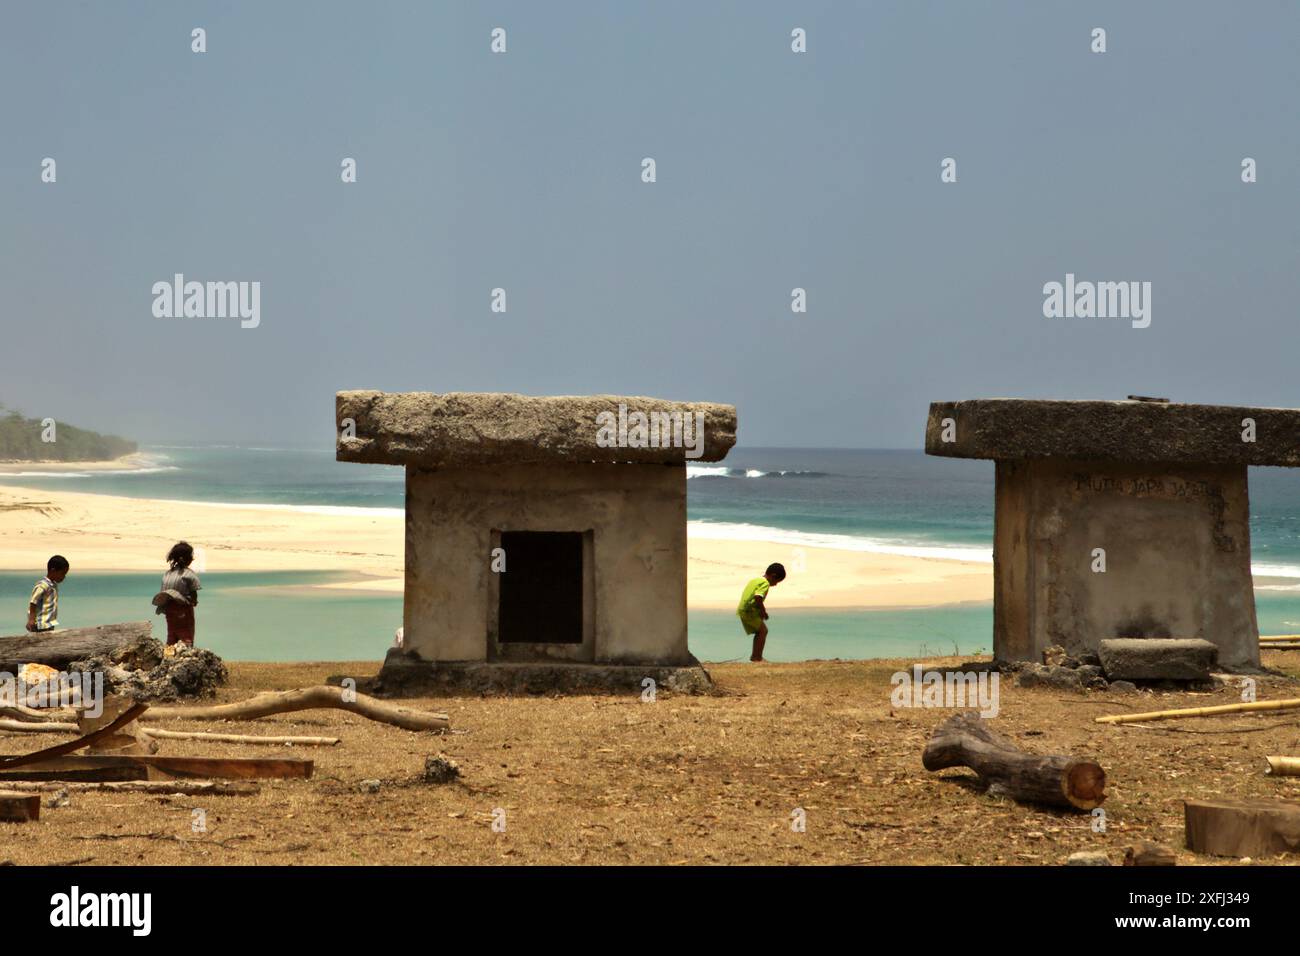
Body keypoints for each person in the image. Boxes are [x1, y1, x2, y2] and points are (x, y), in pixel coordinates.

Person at [736, 562, 786, 662]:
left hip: (744, 609)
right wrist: (763, 611)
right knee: (763, 631)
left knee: (760, 631)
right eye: (777, 582)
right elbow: (758, 597)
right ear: (773, 576)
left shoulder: (755, 580)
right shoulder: (765, 583)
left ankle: (756, 656)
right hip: (748, 611)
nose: (775, 585)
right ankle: (756, 657)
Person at [157, 541, 201, 647]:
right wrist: (194, 601)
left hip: (169, 610)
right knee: (186, 635)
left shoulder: (167, 574)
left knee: (172, 635)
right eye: (191, 556)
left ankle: (170, 655)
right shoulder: (189, 574)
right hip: (184, 610)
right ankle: (186, 655)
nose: (192, 559)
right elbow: (193, 593)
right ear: (187, 559)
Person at [26, 555, 69, 633]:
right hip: (41, 624)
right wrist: (31, 620)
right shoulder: (42, 585)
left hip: (49, 623)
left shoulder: (53, 585)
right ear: (53, 570)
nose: (64, 577)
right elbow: (33, 602)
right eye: (62, 573)